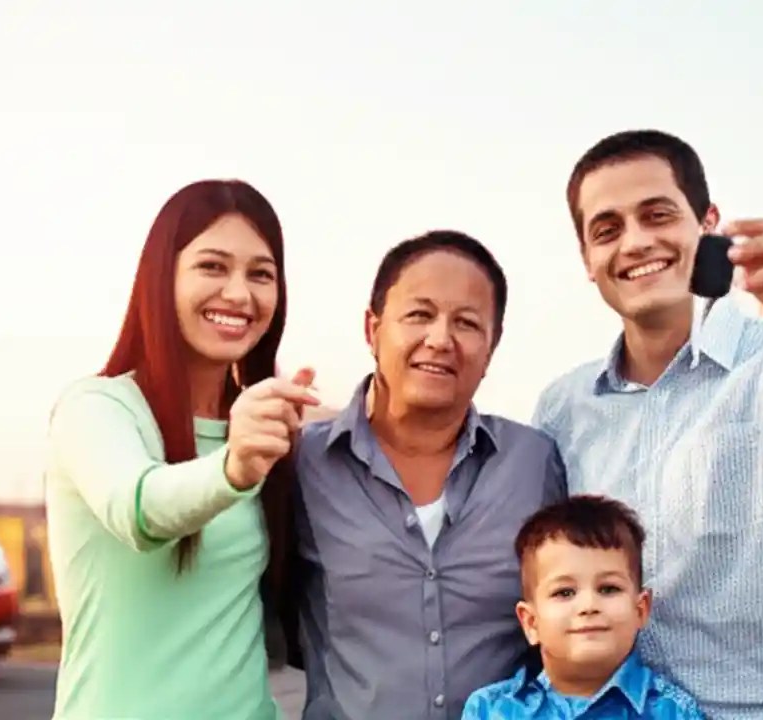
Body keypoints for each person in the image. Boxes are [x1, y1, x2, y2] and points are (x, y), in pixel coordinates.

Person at [533, 129, 763, 720]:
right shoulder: (562, 408)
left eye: (658, 215)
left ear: (708, 224)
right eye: (607, 229)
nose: (635, 242)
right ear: (587, 260)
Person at [43, 179, 318, 720]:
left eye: (261, 274)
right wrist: (233, 468)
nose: (238, 294)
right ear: (161, 277)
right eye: (212, 267)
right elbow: (138, 509)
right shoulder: (97, 409)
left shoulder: (266, 428)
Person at [288, 230, 569, 720]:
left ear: (491, 347)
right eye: (419, 315)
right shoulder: (302, 463)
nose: (440, 340)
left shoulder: (534, 464)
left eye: (466, 323)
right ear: (372, 329)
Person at [462, 495, 704, 719]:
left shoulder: (674, 713)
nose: (589, 606)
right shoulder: (491, 711)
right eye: (564, 592)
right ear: (531, 622)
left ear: (640, 610)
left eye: (608, 589)